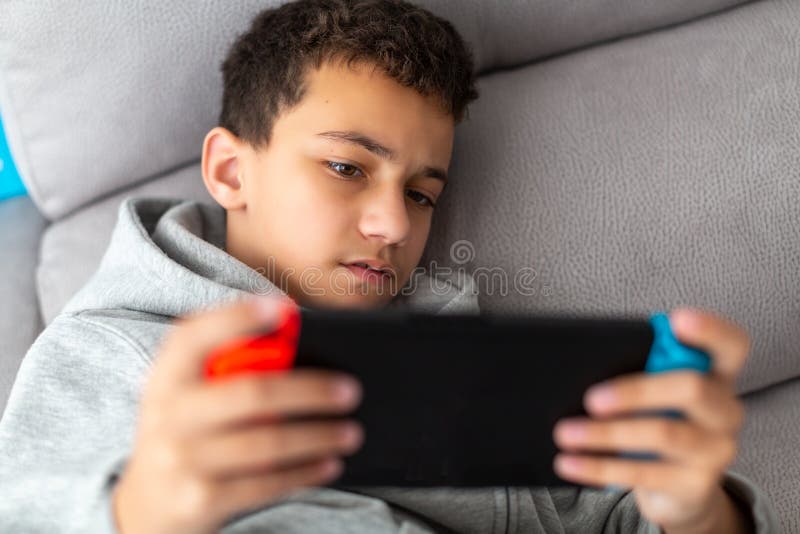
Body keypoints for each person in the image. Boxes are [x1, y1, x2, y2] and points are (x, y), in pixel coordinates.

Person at [0, 1, 781, 532]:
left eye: (421, 192)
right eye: (346, 168)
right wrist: (140, 513)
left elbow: (612, 514)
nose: (394, 224)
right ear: (231, 172)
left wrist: (696, 511)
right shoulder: (109, 351)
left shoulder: (476, 360)